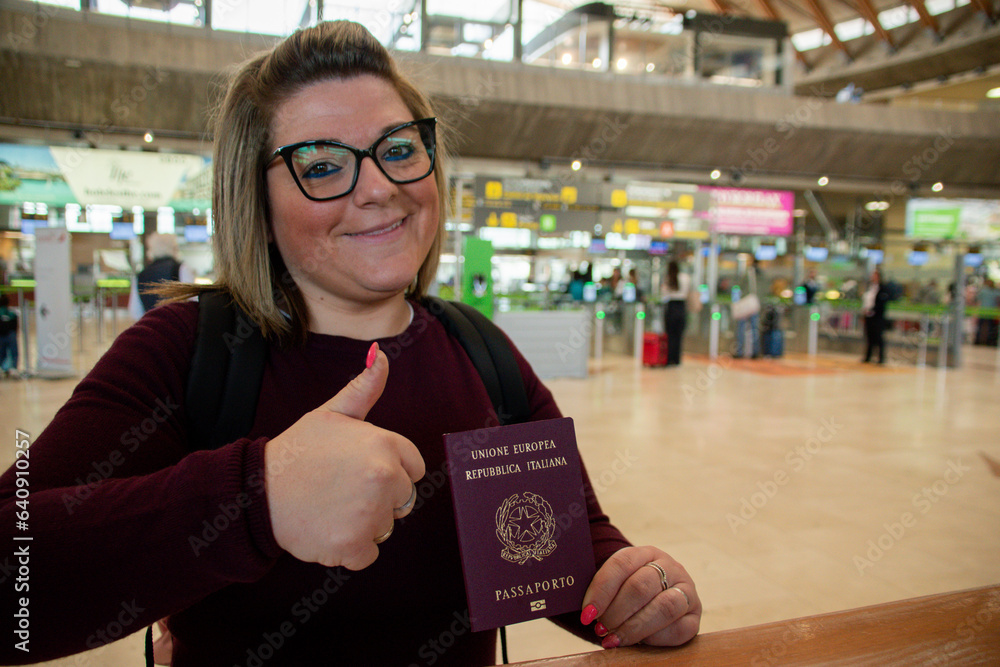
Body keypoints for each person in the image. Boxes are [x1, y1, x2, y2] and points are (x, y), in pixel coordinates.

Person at [0, 21, 699, 666]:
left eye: (399, 150)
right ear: (257, 198)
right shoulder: (190, 352)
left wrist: (638, 592)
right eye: (324, 164)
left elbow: (562, 557)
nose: (380, 188)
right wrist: (256, 497)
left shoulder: (481, 352)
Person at [128, 232, 195, 319]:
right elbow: (193, 302)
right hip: (176, 326)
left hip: (151, 327)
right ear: (174, 247)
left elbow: (135, 311)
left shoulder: (141, 274)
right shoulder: (181, 269)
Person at [661, 260, 690, 366]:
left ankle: (669, 359)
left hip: (671, 307)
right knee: (679, 335)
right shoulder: (685, 277)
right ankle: (677, 359)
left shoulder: (668, 279)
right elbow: (687, 292)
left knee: (670, 335)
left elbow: (664, 294)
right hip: (681, 307)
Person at [734, 257, 762, 359]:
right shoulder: (762, 274)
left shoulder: (748, 273)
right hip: (756, 303)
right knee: (754, 328)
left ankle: (739, 351)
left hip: (747, 303)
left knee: (741, 327)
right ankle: (755, 351)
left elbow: (739, 287)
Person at [861, 269, 890, 364]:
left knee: (878, 337)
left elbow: (882, 303)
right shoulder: (869, 288)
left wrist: (873, 310)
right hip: (868, 315)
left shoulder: (883, 288)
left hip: (877, 317)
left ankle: (881, 357)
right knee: (869, 336)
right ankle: (868, 356)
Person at [975, 278, 998, 346]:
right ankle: (989, 341)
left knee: (980, 327)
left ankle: (978, 340)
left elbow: (978, 302)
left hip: (982, 311)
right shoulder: (994, 292)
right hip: (992, 312)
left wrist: (976, 311)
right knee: (990, 327)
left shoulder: (982, 291)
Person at [0, 294, 18, 377]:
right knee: (14, 352)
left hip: (1, 335)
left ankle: (2, 368)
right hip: (11, 334)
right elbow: (15, 325)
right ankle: (13, 368)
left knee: (1, 352)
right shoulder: (11, 313)